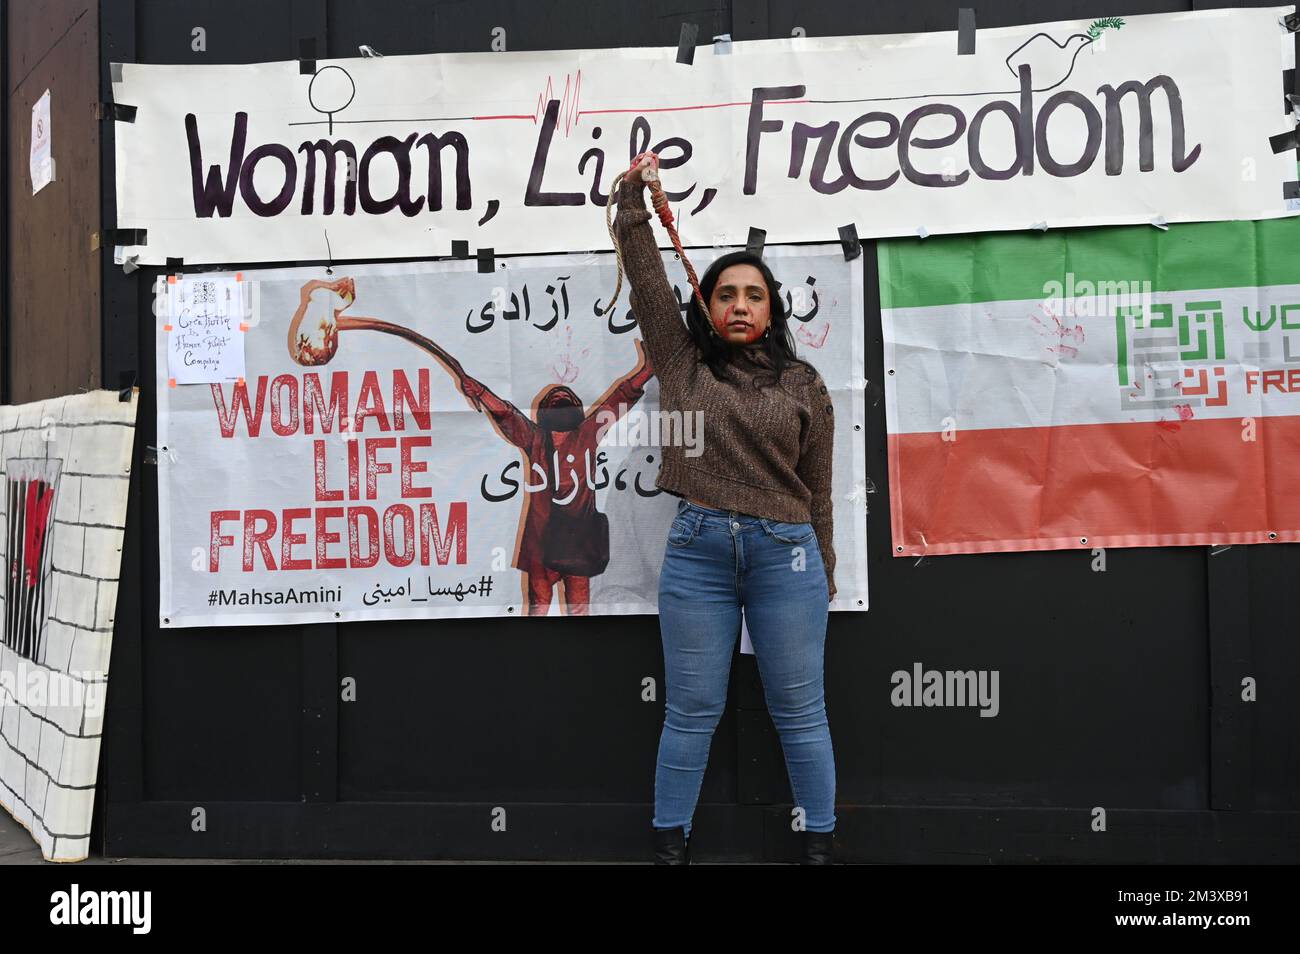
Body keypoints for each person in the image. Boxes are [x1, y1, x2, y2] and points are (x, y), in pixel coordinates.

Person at [614, 154, 838, 865]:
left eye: (754, 295)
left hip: (788, 559)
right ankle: (669, 847)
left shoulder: (805, 384)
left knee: (800, 712)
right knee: (691, 713)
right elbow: (648, 279)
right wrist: (633, 200)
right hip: (699, 555)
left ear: (772, 311)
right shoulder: (683, 364)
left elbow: (819, 488)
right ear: (707, 308)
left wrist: (825, 572)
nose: (740, 305)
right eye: (726, 294)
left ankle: (821, 846)